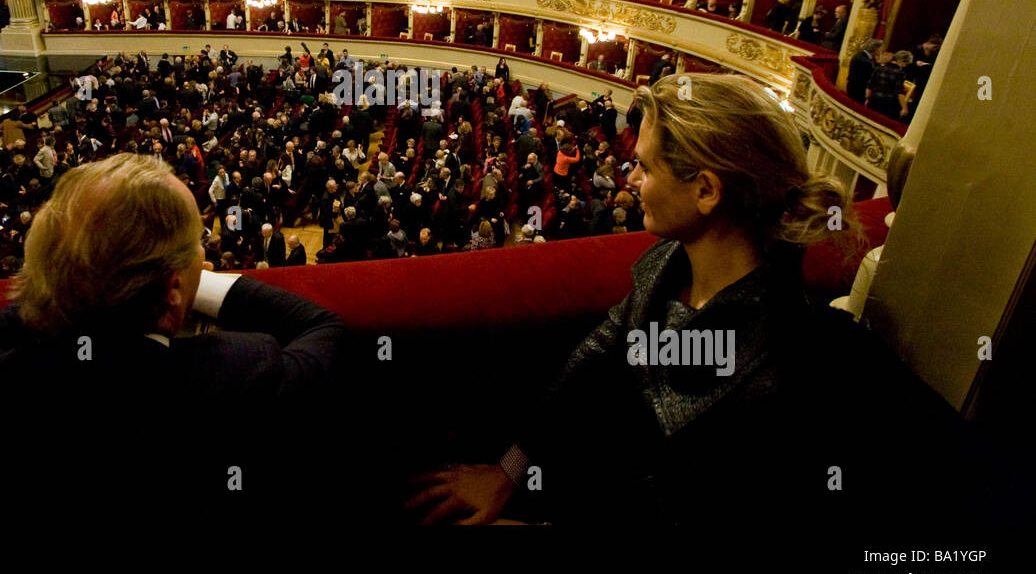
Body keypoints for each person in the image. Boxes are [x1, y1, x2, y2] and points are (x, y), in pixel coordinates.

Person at [404, 73, 976, 530]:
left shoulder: (790, 367)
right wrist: (509, 471)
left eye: (646, 167)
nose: (631, 181)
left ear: (706, 190)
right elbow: (594, 361)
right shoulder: (667, 267)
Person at [0, 155, 344, 524]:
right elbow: (325, 330)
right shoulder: (245, 374)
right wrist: (188, 283)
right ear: (174, 287)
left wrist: (74, 276)